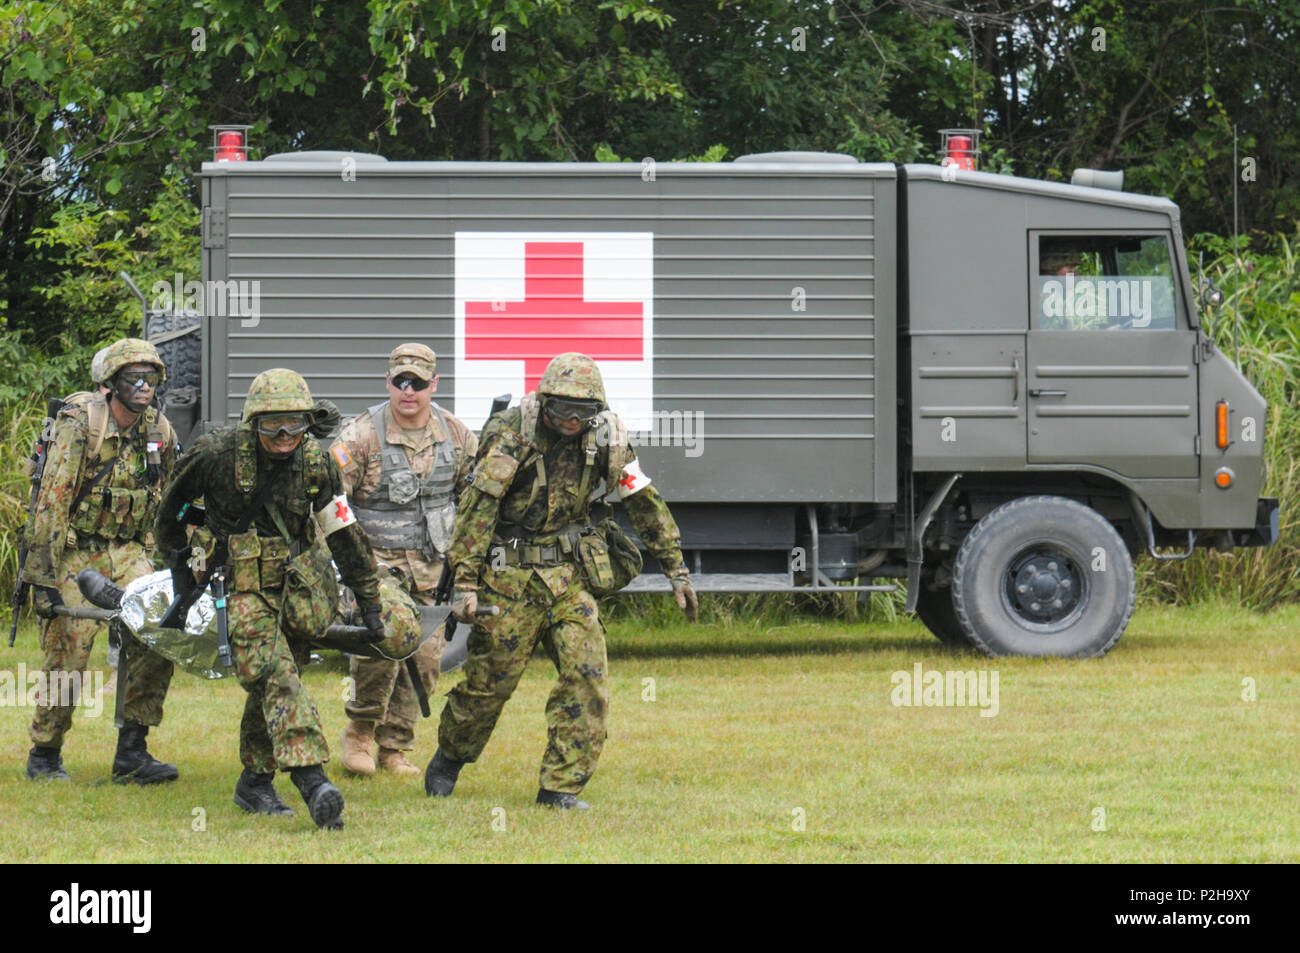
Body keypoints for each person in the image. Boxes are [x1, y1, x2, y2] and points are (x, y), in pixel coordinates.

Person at [425, 352, 698, 809]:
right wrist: (467, 586)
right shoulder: (513, 435)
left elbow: (643, 500)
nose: (572, 420)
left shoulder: (607, 438)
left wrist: (676, 569)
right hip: (509, 578)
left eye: (583, 412)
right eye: (561, 410)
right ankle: (451, 756)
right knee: (489, 686)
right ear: (545, 403)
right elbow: (477, 513)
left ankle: (560, 787)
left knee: (587, 676)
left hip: (568, 579)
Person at [154, 368, 384, 829]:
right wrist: (182, 569)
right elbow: (170, 511)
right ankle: (313, 781)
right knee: (276, 674)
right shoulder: (215, 455)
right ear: (252, 423)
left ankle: (255, 782)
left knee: (279, 680)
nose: (284, 437)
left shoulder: (317, 464)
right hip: (236, 585)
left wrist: (369, 598)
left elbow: (343, 531)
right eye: (272, 427)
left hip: (297, 587)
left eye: (295, 426)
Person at [22, 338, 179, 783]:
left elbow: (169, 499)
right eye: (134, 378)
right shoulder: (81, 423)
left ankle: (133, 751)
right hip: (75, 548)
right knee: (70, 643)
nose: (144, 386)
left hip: (128, 551)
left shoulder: (158, 431)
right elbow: (52, 502)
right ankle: (45, 752)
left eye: (150, 378)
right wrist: (44, 579)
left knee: (158, 629)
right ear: (112, 383)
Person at [331, 343, 478, 777]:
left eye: (417, 382)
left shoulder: (455, 435)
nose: (408, 390)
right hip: (375, 568)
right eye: (400, 382)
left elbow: (476, 500)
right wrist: (345, 567)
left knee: (427, 657)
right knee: (384, 639)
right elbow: (329, 502)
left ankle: (394, 747)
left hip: (432, 569)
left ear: (434, 384)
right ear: (388, 383)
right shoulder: (361, 436)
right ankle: (359, 731)